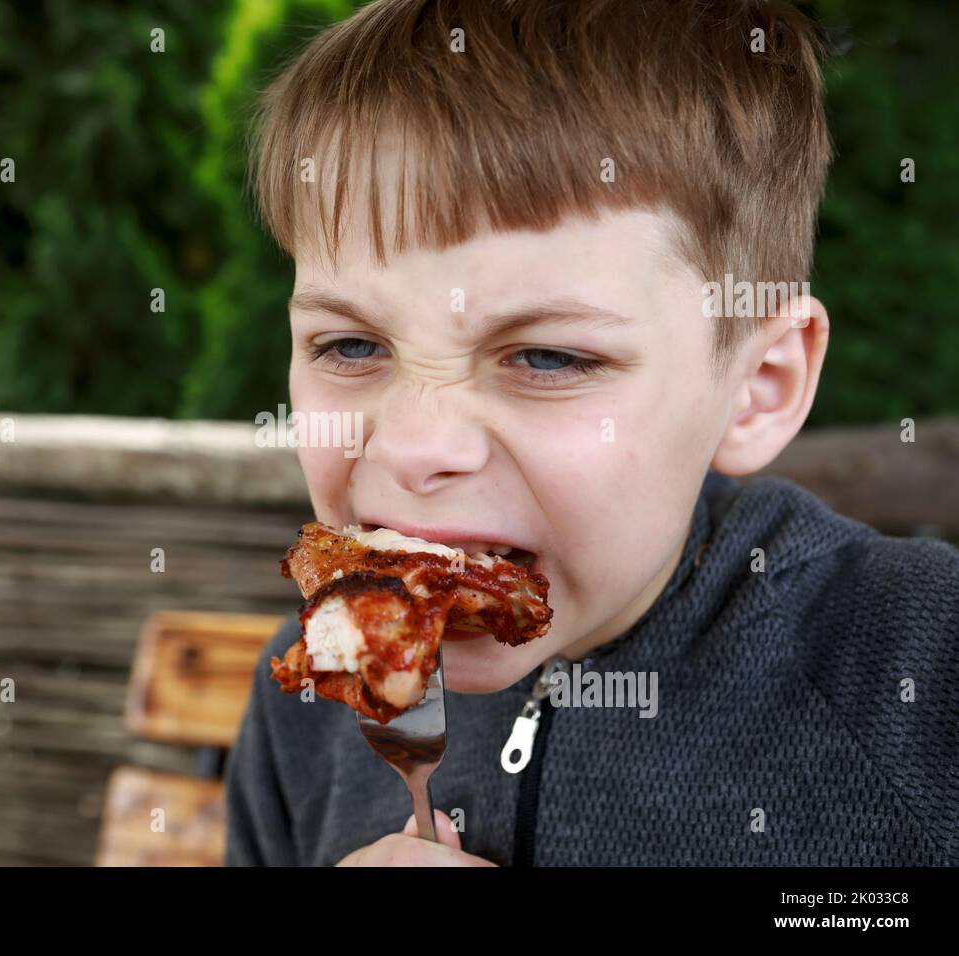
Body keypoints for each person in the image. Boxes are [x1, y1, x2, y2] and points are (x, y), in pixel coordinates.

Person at [223, 0, 959, 866]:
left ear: (758, 387)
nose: (415, 448)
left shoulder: (920, 666)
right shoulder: (305, 706)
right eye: (351, 345)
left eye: (545, 358)